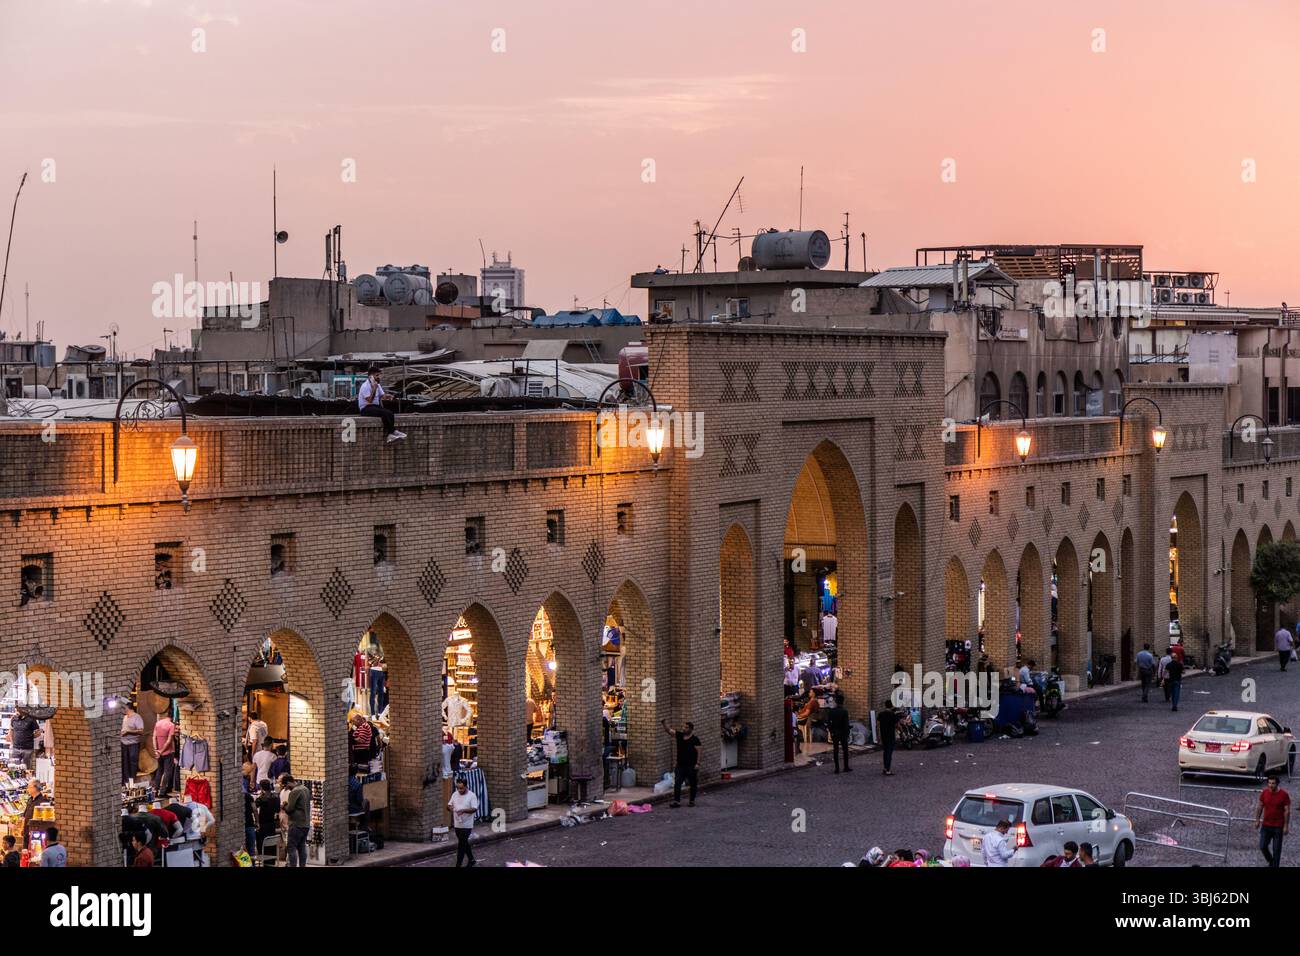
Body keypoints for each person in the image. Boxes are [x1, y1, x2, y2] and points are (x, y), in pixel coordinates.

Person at [357, 365, 406, 442]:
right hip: (366, 408)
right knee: (384, 413)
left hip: (375, 407)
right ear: (371, 376)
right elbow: (369, 400)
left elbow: (383, 396)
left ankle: (392, 433)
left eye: (379, 375)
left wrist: (390, 396)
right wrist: (374, 388)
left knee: (390, 413)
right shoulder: (365, 386)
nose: (379, 377)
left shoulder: (378, 385)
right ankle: (391, 433)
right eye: (377, 375)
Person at [662, 718, 701, 807]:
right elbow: (669, 730)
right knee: (677, 783)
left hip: (691, 766)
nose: (684, 729)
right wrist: (664, 723)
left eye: (686, 727)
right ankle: (677, 801)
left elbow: (699, 751)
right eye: (684, 727)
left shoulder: (695, 739)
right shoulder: (679, 735)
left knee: (693, 783)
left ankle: (692, 801)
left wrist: (697, 763)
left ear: (691, 729)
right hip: (680, 765)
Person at [1256, 774, 1291, 868]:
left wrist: (1286, 826)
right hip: (1266, 825)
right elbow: (1260, 806)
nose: (1271, 785)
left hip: (1278, 826)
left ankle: (1275, 865)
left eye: (1273, 783)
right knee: (1262, 846)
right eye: (1269, 783)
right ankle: (1271, 861)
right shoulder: (1264, 793)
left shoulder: (1284, 795)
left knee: (1277, 850)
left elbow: (1287, 811)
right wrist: (1257, 820)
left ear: (1277, 784)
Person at [448, 775, 479, 867]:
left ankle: (458, 864)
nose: (459, 790)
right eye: (458, 788)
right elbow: (449, 805)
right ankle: (471, 860)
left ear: (465, 786)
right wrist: (450, 808)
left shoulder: (472, 796)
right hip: (457, 823)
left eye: (461, 788)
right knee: (464, 842)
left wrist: (464, 810)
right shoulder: (455, 794)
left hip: (467, 824)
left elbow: (474, 808)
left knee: (461, 845)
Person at [282, 775, 312, 867]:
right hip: (305, 823)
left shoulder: (295, 791)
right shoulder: (305, 788)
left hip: (296, 824)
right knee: (301, 847)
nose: (286, 789)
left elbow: (290, 809)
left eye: (285, 786)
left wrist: (284, 806)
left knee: (291, 848)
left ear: (288, 783)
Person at [255, 779, 281, 864]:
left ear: (261, 788)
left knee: (262, 844)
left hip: (263, 824)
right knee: (271, 844)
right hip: (272, 824)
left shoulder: (262, 798)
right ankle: (271, 862)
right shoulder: (276, 797)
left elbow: (254, 807)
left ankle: (264, 862)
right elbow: (277, 809)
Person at [152, 710, 178, 795]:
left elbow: (154, 737)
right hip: (168, 752)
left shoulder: (158, 723)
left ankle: (155, 790)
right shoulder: (171, 725)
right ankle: (162, 792)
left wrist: (157, 750)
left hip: (159, 752)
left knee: (159, 770)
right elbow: (169, 740)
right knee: (167, 772)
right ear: (172, 717)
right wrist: (162, 751)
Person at [120, 700, 144, 785]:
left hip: (133, 744)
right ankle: (125, 783)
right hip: (124, 743)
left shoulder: (137, 717)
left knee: (132, 763)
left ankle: (131, 782)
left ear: (128, 707)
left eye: (124, 707)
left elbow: (141, 731)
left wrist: (129, 732)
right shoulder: (125, 717)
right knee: (124, 763)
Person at [827, 690, 851, 773]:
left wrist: (831, 731)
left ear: (836, 702)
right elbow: (846, 724)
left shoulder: (831, 711)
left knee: (836, 750)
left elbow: (828, 723)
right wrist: (847, 733)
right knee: (845, 750)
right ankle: (846, 766)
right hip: (843, 733)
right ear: (843, 702)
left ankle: (837, 768)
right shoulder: (844, 712)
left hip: (835, 733)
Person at [877, 700, 898, 776]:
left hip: (883, 735)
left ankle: (885, 768)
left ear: (885, 706)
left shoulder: (881, 714)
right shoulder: (893, 715)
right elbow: (897, 725)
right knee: (889, 752)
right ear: (891, 706)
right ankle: (888, 769)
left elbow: (878, 725)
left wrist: (878, 736)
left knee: (885, 752)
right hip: (891, 736)